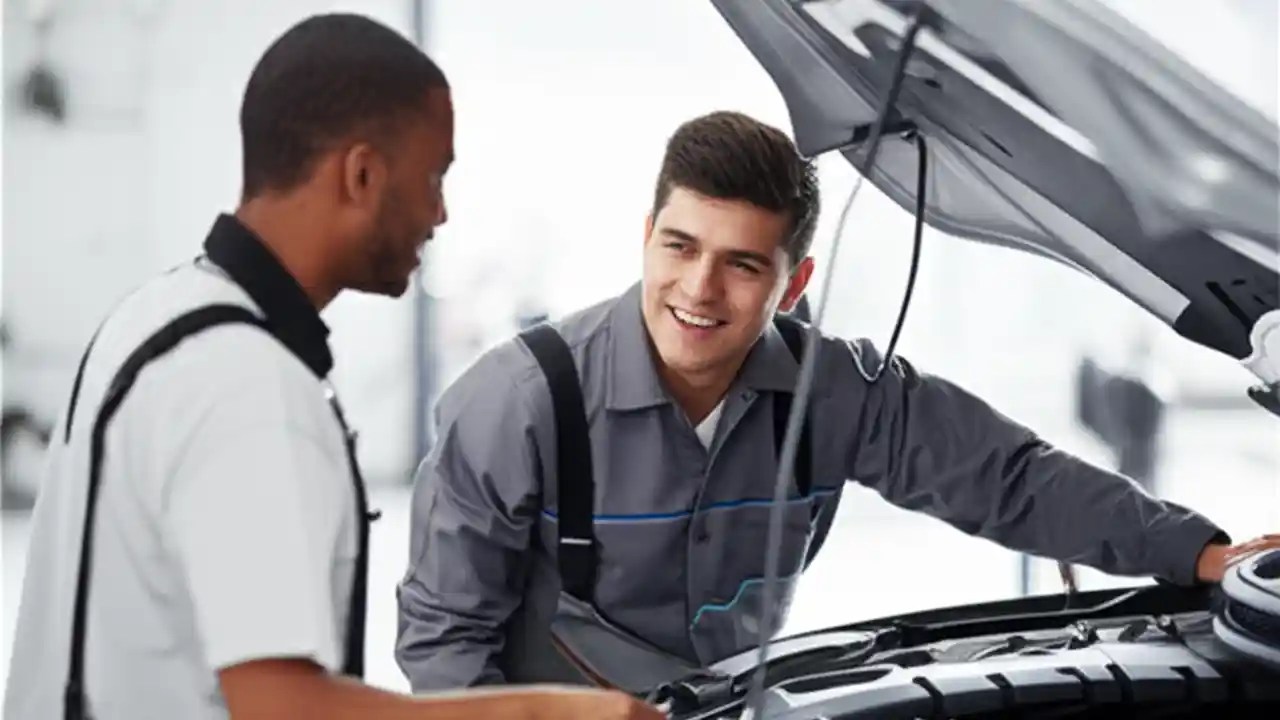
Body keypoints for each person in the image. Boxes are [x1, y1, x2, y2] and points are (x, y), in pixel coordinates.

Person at [394, 109, 1280, 691]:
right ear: (646, 238)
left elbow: (1007, 479)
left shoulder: (837, 392)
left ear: (793, 282)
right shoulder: (516, 403)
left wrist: (1196, 551)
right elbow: (443, 647)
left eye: (742, 264)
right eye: (680, 246)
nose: (698, 289)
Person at [2, 13, 660, 720]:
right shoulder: (251, 388)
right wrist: (557, 713)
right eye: (435, 177)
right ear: (362, 174)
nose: (440, 213)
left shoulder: (155, 315)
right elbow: (282, 707)